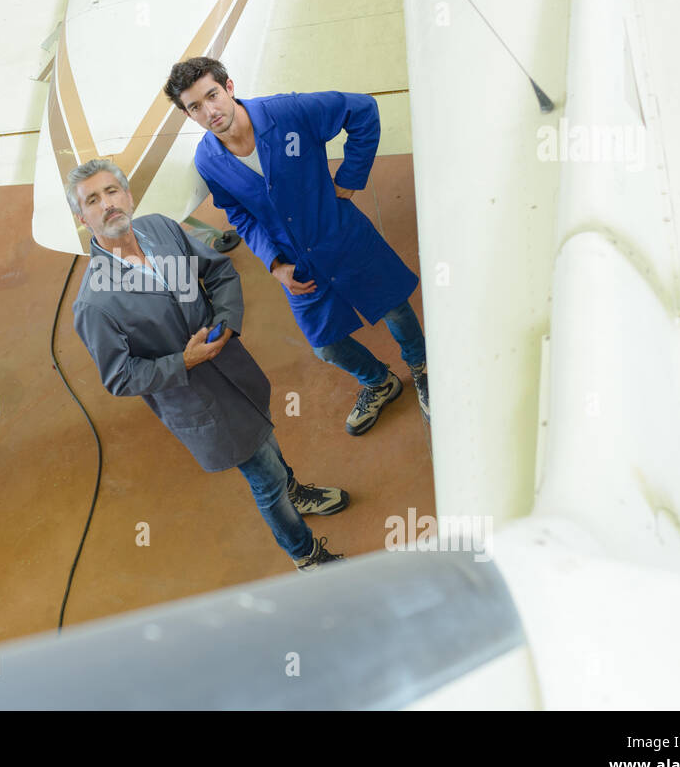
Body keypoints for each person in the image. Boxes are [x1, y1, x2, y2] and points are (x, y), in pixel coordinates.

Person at [67, 157, 345, 572]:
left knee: (265, 438)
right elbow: (121, 377)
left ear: (128, 195)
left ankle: (296, 492)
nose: (107, 204)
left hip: (235, 370)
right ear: (82, 217)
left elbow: (217, 272)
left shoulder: (161, 229)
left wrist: (227, 324)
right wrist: (184, 360)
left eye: (111, 191)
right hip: (199, 404)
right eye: (92, 200)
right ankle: (304, 553)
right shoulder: (95, 303)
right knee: (264, 478)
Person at [164, 56, 429, 436]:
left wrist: (351, 178)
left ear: (230, 88)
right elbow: (240, 216)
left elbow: (364, 110)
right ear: (188, 115)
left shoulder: (287, 112)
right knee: (326, 344)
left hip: (342, 235)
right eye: (195, 107)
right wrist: (274, 264)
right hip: (294, 259)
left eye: (212, 96)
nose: (209, 111)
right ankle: (379, 381)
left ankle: (421, 367)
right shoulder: (209, 160)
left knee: (394, 309)